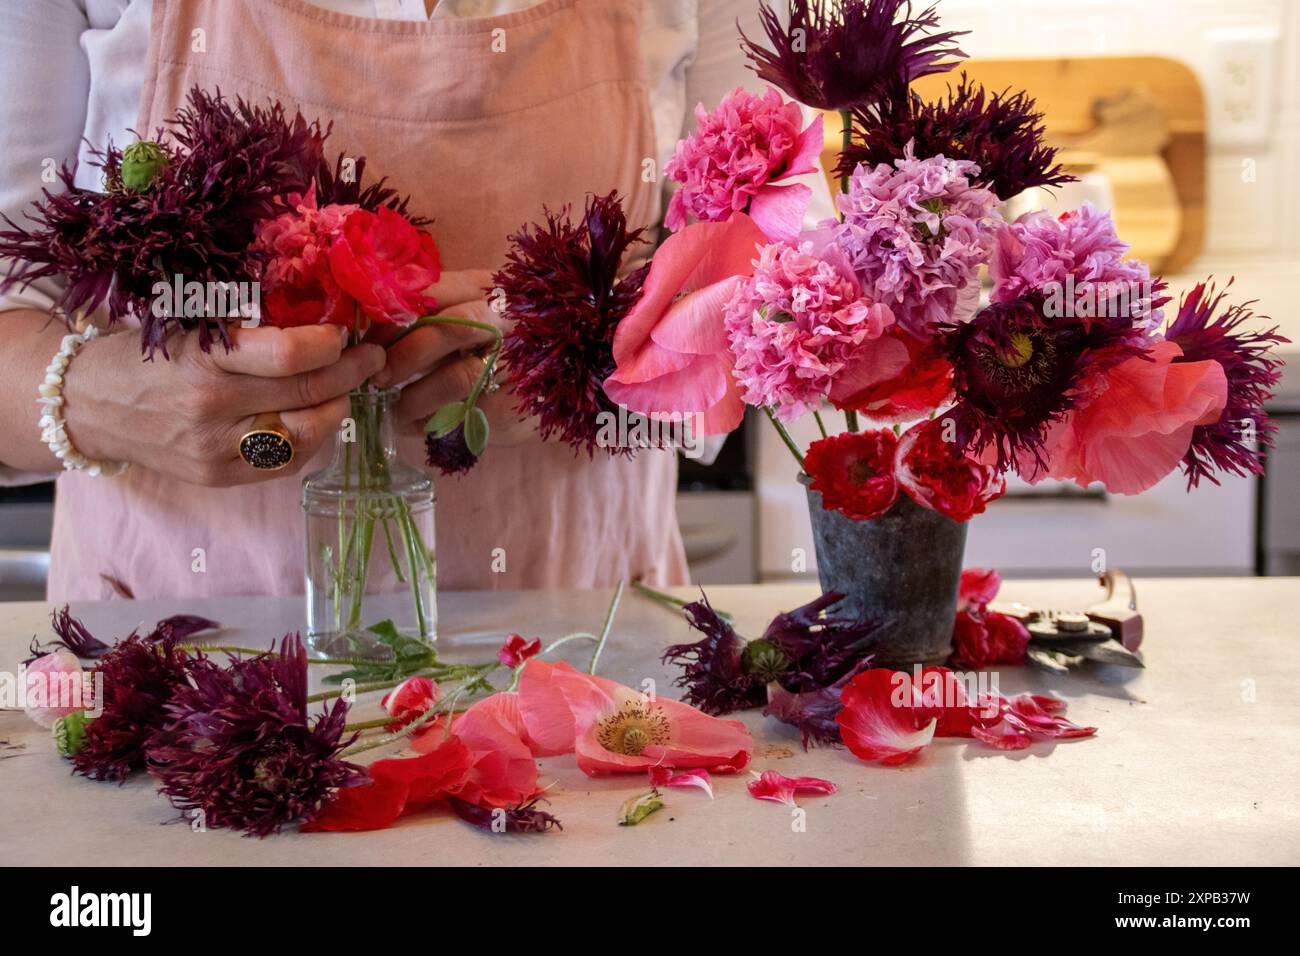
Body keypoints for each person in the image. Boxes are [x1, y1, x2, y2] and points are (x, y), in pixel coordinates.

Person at [0, 0, 830, 602]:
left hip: (582, 656)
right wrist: (101, 399)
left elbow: (786, 311)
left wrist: (571, 373)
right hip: (185, 668)